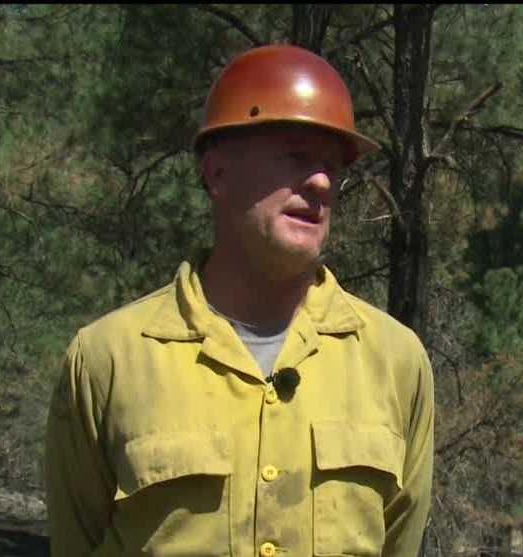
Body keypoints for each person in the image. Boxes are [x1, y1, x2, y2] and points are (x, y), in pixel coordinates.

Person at [44, 44, 434, 557]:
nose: (321, 181)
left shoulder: (394, 361)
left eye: (333, 166)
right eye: (296, 154)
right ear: (217, 173)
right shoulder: (108, 359)